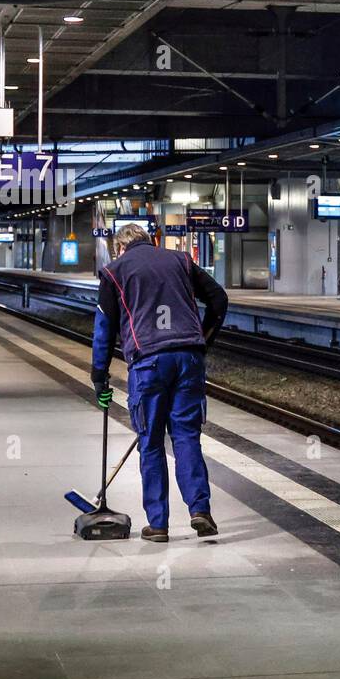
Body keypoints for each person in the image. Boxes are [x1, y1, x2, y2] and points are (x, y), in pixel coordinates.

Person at [90, 223, 229, 543]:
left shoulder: (114, 272)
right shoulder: (179, 260)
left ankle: (159, 524)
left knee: (151, 442)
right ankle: (200, 509)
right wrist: (203, 340)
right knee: (186, 437)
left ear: (120, 248)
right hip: (188, 360)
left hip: (149, 363)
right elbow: (218, 299)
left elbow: (104, 329)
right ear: (148, 242)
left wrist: (100, 376)